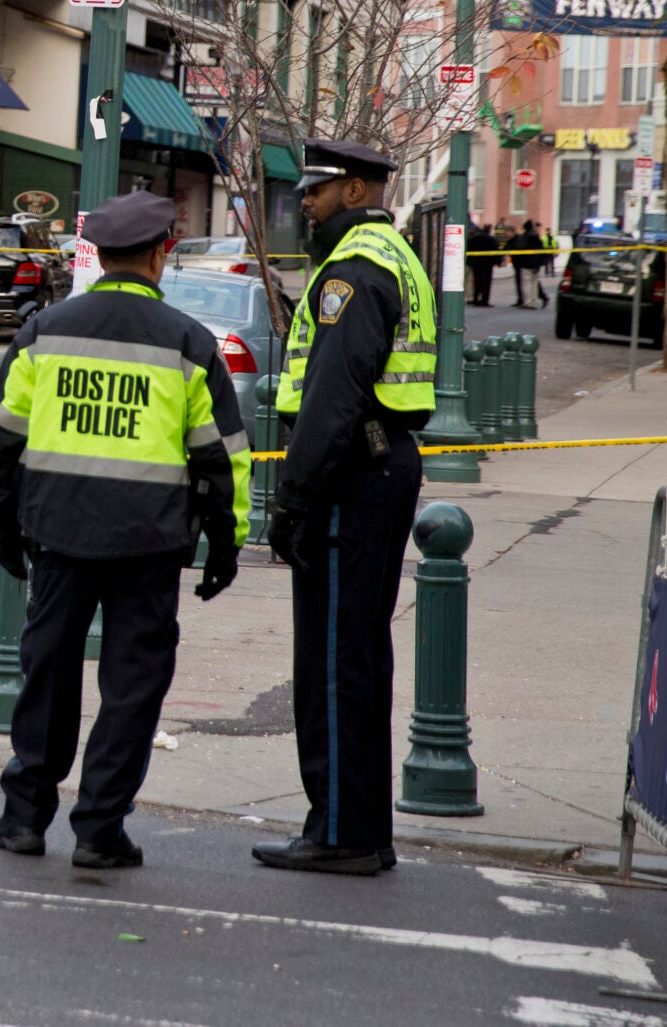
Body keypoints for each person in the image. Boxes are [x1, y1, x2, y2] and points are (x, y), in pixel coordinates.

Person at [0, 190, 251, 870]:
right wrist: (225, 540)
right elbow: (223, 459)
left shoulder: (45, 331)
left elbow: (2, 439)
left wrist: (2, 520)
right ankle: (100, 827)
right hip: (149, 544)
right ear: (162, 253)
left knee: (48, 673)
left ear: (96, 254)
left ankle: (22, 818)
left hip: (58, 535)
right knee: (132, 685)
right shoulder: (189, 342)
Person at [254, 140, 435, 875]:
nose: (304, 201)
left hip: (350, 474)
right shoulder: (389, 255)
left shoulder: (355, 270)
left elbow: (333, 398)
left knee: (334, 658)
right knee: (357, 652)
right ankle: (358, 825)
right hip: (376, 465)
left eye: (317, 190)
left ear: (355, 191)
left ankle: (339, 829)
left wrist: (293, 500)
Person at [511, 217, 548, 308]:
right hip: (536, 264)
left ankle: (527, 302)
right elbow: (542, 250)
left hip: (526, 263)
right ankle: (533, 301)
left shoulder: (525, 237)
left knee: (526, 283)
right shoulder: (537, 237)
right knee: (534, 283)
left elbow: (521, 249)